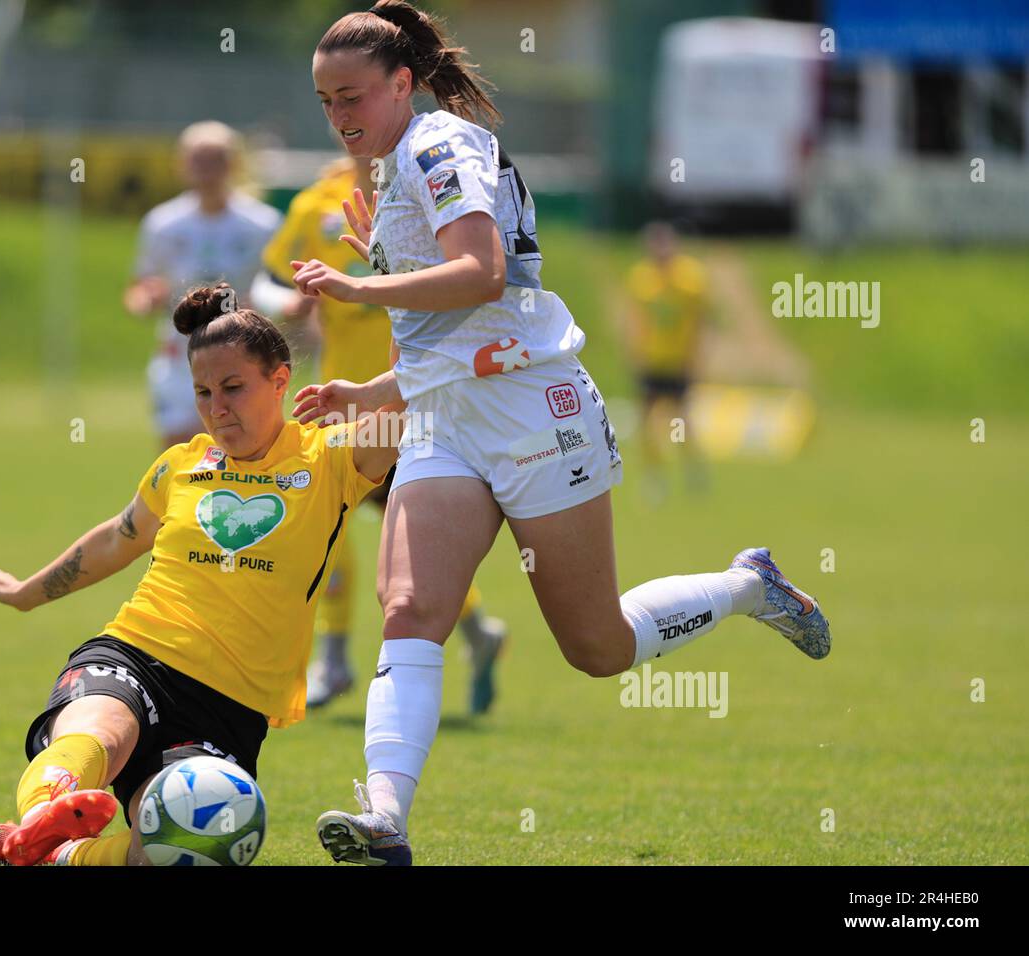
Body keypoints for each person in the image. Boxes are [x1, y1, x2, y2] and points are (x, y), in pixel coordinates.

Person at [288, 1, 831, 866]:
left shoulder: (439, 146)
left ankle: (745, 586)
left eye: (351, 94)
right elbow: (454, 333)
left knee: (598, 648)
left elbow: (481, 275)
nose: (339, 115)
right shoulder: (393, 172)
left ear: (402, 83)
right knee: (412, 608)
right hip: (447, 419)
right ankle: (384, 814)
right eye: (324, 102)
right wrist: (372, 388)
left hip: (536, 410)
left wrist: (361, 292)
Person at [0, 283, 398, 866]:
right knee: (98, 733)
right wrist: (24, 594)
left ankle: (53, 853)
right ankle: (44, 815)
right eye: (203, 392)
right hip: (136, 651)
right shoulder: (182, 464)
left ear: (281, 380)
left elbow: (422, 397)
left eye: (234, 387)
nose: (217, 407)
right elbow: (118, 537)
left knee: (174, 851)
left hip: (229, 706)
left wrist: (398, 289)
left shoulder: (332, 457)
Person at [260, 153, 508, 714]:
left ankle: (345, 657)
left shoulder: (426, 193)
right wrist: (289, 301)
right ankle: (348, 654)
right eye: (336, 103)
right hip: (341, 394)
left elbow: (469, 276)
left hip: (408, 394)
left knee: (394, 528)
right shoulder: (315, 203)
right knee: (334, 515)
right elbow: (269, 278)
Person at [124, 121, 282, 451]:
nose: (207, 170)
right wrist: (144, 298)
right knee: (181, 458)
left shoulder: (262, 224)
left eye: (217, 160)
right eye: (198, 160)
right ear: (182, 165)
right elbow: (143, 284)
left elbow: (275, 284)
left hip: (242, 359)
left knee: (241, 456)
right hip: (179, 356)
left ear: (234, 164)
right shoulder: (163, 223)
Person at [623, 221, 710, 501]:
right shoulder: (642, 279)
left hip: (677, 361)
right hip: (652, 361)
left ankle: (693, 469)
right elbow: (637, 321)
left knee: (682, 421)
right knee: (646, 421)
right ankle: (653, 474)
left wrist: (694, 356)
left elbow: (699, 322)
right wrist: (635, 353)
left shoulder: (690, 278)